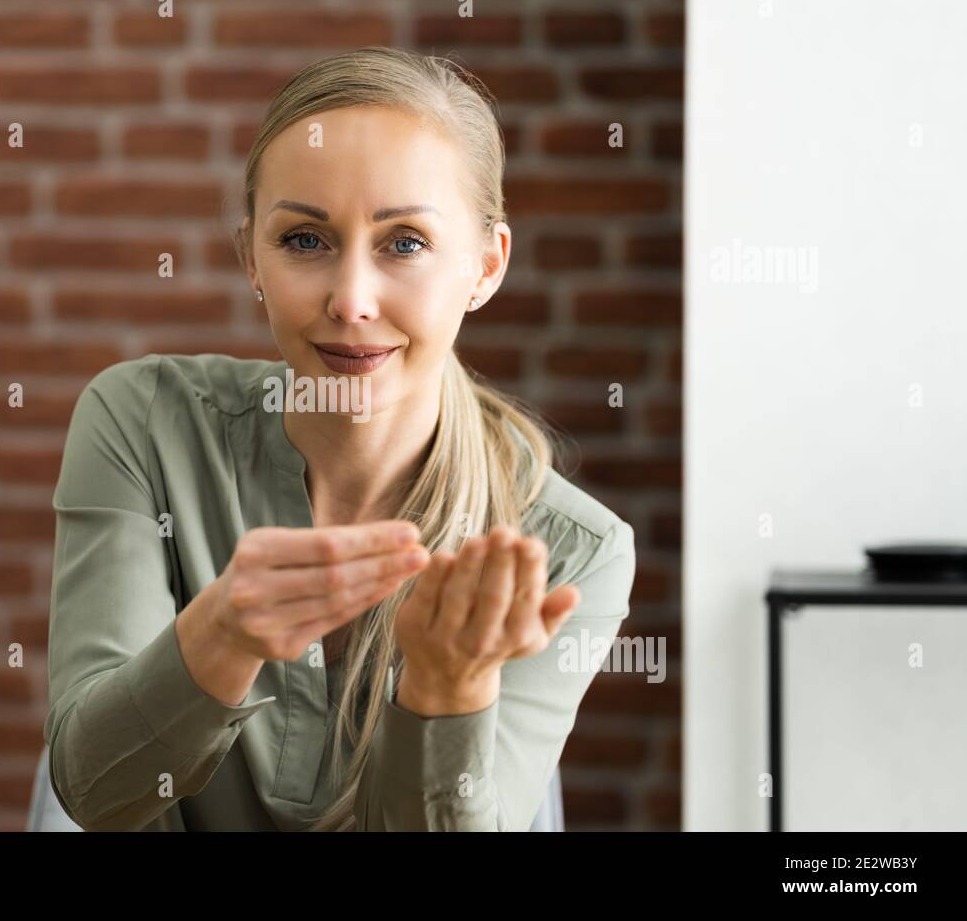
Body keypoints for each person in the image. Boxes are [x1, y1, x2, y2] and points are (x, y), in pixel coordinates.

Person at [44, 46, 636, 831]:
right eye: (305, 241)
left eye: (405, 243)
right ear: (250, 256)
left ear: (486, 267)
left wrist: (444, 695)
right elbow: (93, 791)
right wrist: (221, 632)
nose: (352, 300)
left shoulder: (574, 548)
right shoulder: (140, 422)